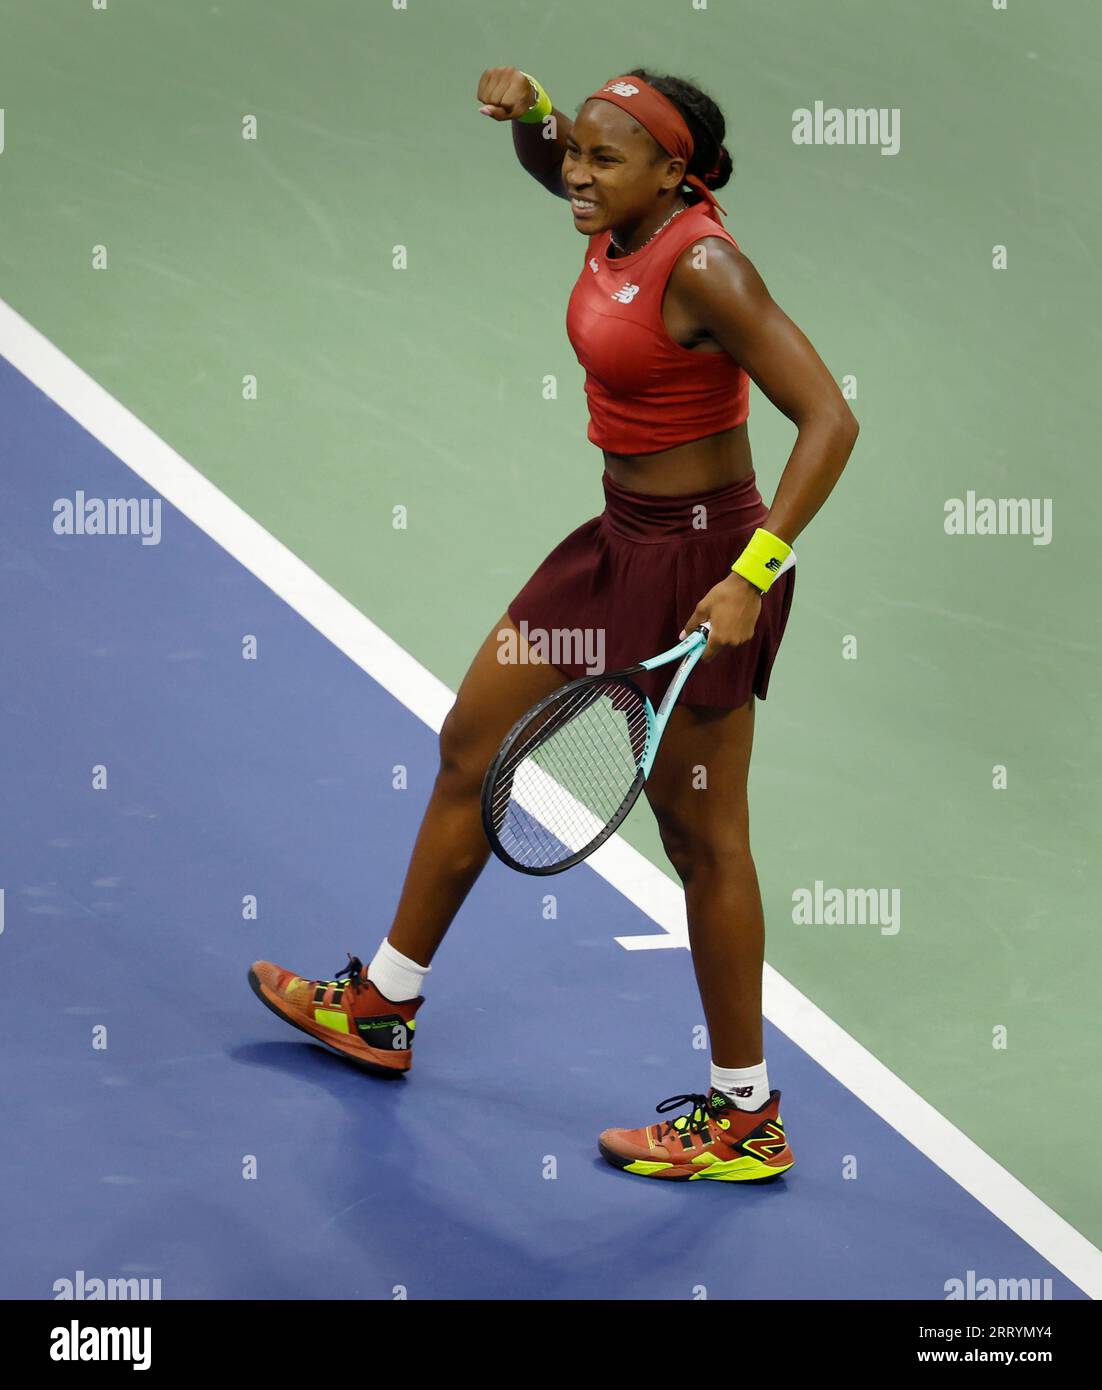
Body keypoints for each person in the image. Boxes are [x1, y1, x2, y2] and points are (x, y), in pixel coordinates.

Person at [249, 67, 859, 1183]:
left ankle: (743, 1115)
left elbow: (830, 418)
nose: (575, 174)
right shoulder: (610, 213)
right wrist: (533, 118)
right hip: (610, 546)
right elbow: (557, 166)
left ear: (673, 174)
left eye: (600, 158)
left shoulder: (707, 267)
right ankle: (384, 1005)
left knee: (701, 838)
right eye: (573, 151)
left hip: (701, 564)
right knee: (471, 745)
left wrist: (755, 575)